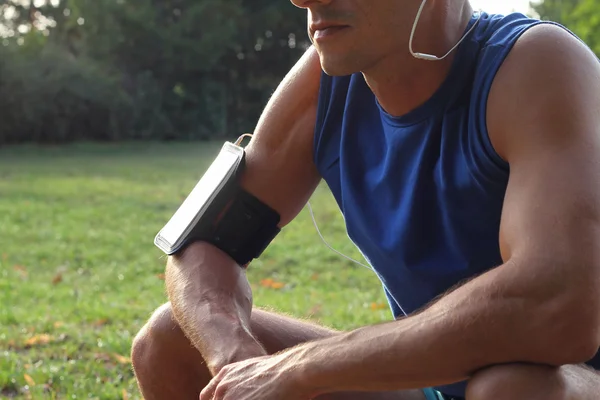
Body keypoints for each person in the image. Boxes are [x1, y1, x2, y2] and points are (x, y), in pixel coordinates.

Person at [131, 0, 600, 399]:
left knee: (511, 389)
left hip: (572, 379)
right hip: (438, 381)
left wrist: (300, 368)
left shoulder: (538, 64)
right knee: (169, 339)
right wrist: (237, 358)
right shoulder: (324, 79)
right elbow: (201, 245)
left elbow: (558, 309)